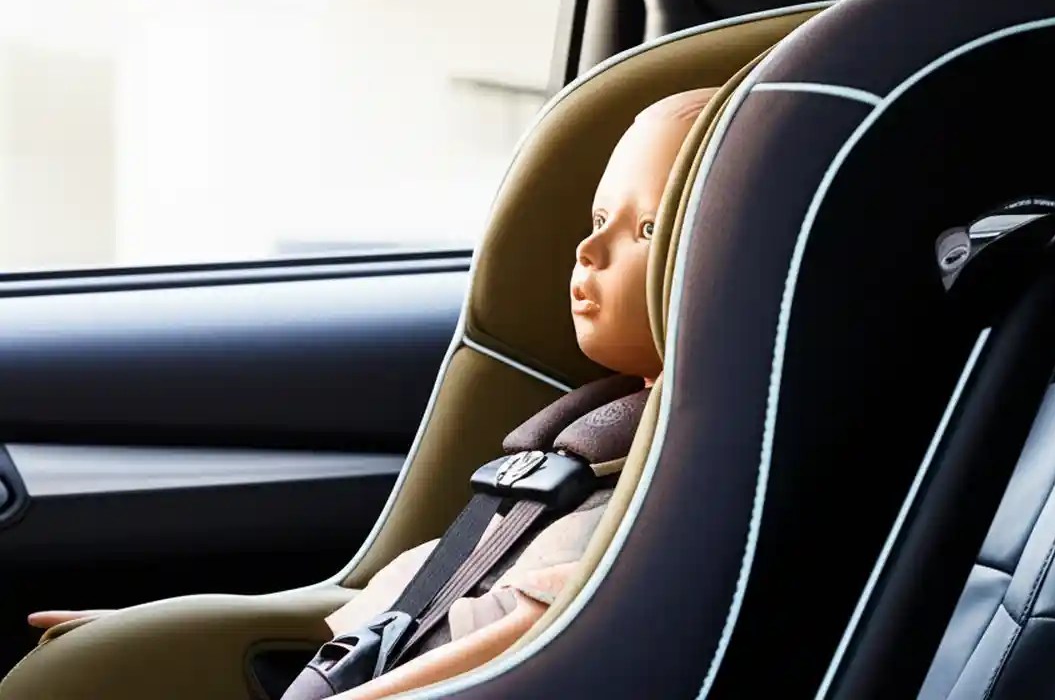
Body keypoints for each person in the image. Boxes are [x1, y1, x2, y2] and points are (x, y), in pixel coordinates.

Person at [28, 85, 719, 699]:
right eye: (597, 219)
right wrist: (153, 631)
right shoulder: (583, 443)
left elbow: (531, 642)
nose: (588, 251)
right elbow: (420, 593)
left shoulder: (684, 477)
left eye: (647, 230)